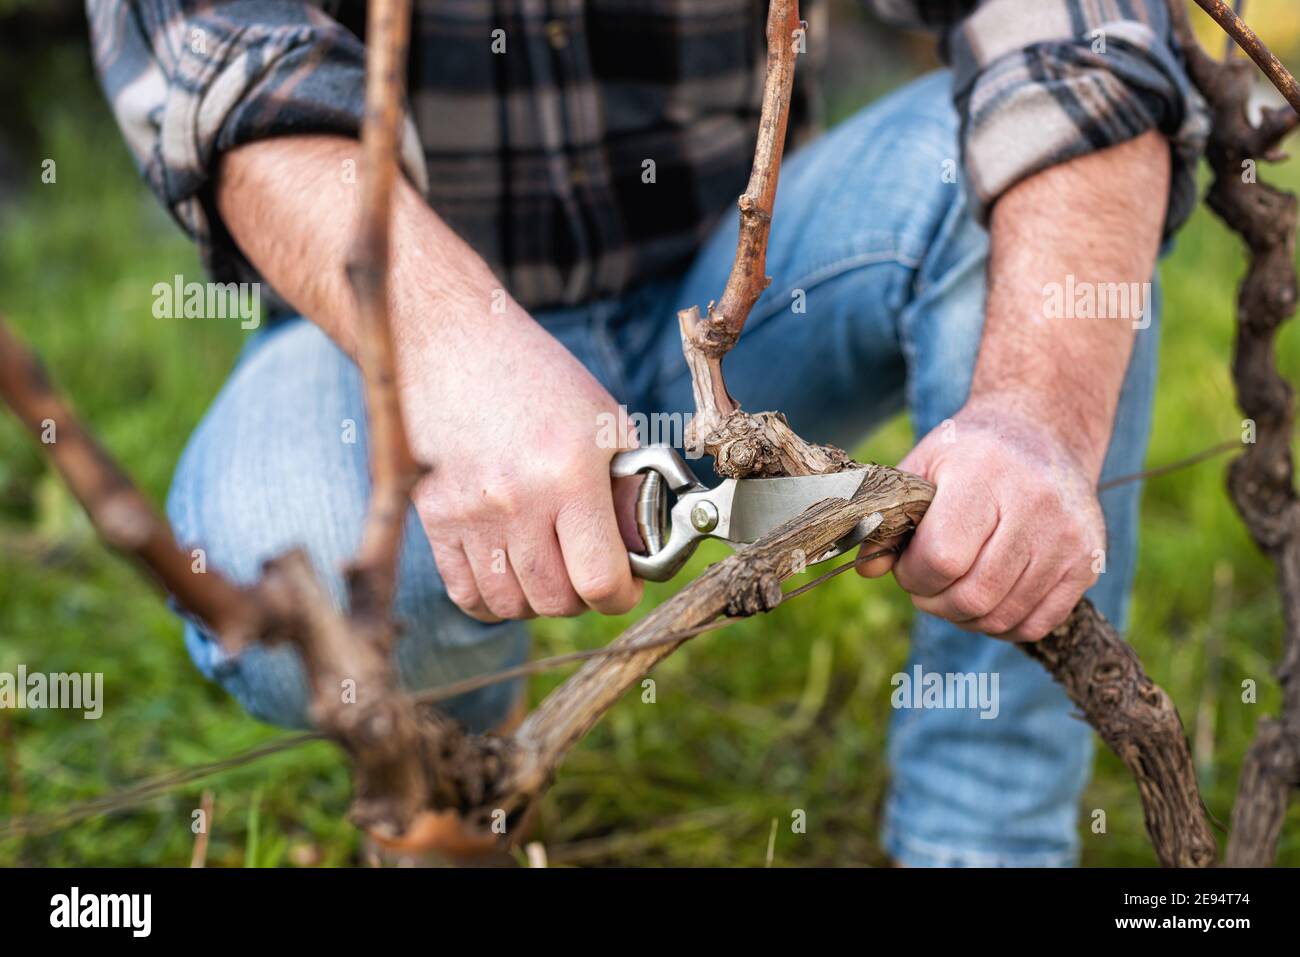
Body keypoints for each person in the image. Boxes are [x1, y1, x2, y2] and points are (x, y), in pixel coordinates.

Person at [88, 0, 1207, 866]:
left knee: (1033, 204)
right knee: (296, 578)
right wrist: (456, 350)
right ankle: (452, 776)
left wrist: (1037, 413)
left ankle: (985, 836)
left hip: (737, 293)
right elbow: (230, 72)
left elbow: (1088, 40)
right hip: (371, 326)